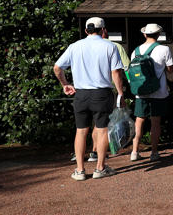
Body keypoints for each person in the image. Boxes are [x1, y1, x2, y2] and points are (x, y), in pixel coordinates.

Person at [53, 17, 126, 180]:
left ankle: (79, 170)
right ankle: (100, 168)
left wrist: (65, 84)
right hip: (101, 93)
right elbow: (116, 72)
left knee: (81, 131)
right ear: (103, 30)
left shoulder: (74, 46)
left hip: (81, 94)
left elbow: (57, 67)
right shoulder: (110, 46)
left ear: (86, 30)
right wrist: (120, 93)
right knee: (102, 130)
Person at [130, 23, 173, 163]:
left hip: (140, 91)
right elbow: (170, 70)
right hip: (159, 91)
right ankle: (154, 152)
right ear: (158, 34)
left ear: (145, 34)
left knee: (139, 121)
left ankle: (134, 151)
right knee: (155, 122)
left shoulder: (135, 51)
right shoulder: (164, 49)